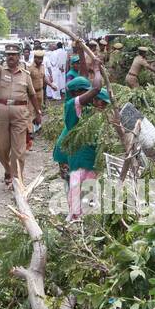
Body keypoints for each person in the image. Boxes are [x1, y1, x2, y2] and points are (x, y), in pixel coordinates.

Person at [0, 42, 42, 187]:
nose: (10, 57)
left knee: (19, 149)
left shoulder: (25, 75)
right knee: (1, 148)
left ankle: (17, 179)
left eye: (13, 55)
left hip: (20, 115)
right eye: (8, 54)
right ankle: (8, 169)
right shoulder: (0, 71)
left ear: (18, 56)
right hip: (2, 115)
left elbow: (33, 95)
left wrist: (38, 112)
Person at [53, 72, 111, 221]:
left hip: (85, 158)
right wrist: (97, 68)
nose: (91, 97)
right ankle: (75, 217)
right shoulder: (73, 106)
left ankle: (81, 215)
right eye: (87, 92)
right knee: (76, 187)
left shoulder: (90, 111)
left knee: (86, 191)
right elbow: (97, 88)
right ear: (77, 93)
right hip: (73, 156)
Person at [27, 48, 48, 148]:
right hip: (32, 93)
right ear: (35, 58)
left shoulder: (43, 67)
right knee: (30, 111)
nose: (40, 60)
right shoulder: (30, 68)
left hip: (41, 92)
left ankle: (37, 128)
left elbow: (44, 78)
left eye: (42, 58)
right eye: (39, 58)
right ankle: (30, 133)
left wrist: (51, 85)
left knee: (39, 110)